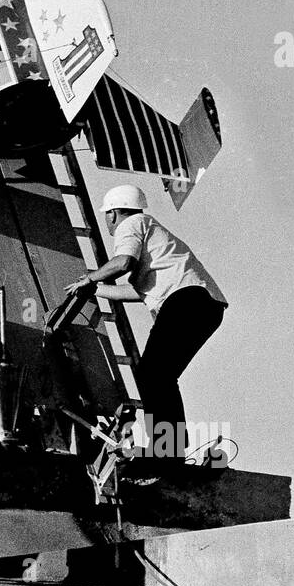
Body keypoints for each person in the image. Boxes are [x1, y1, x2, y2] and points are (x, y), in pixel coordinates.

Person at [67, 184, 227, 461]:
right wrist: (92, 289)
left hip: (186, 302)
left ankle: (168, 450)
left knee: (154, 375)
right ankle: (170, 448)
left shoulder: (131, 223)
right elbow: (136, 291)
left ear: (114, 213)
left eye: (108, 216)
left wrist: (90, 277)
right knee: (159, 376)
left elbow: (123, 261)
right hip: (203, 306)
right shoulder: (153, 236)